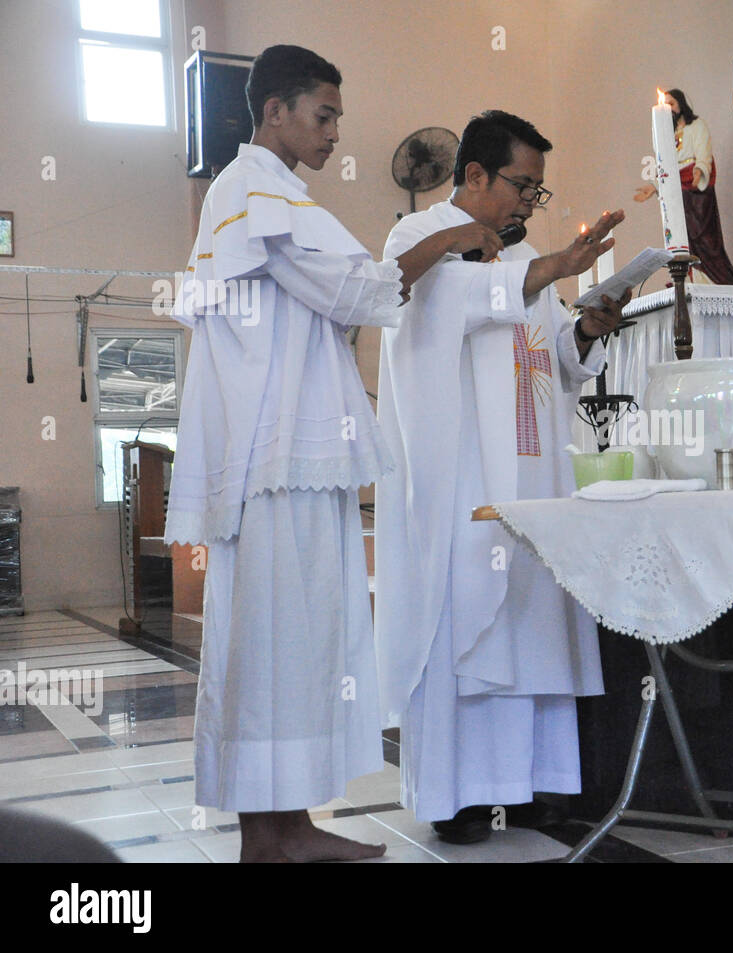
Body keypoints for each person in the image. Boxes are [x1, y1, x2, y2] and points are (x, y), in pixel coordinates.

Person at [162, 45, 472, 862]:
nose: (335, 133)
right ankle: (270, 839)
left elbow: (330, 303)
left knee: (288, 643)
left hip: (290, 458)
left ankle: (286, 828)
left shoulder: (261, 193)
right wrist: (448, 239)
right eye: (324, 115)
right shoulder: (256, 190)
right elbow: (357, 291)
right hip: (279, 461)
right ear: (275, 111)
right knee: (274, 644)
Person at [374, 110, 628, 844]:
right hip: (458, 480)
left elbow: (552, 357)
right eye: (523, 185)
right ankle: (456, 795)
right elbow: (451, 305)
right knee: (465, 629)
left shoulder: (529, 261)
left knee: (526, 628)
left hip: (529, 472)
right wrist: (552, 268)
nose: (529, 204)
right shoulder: (415, 242)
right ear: (475, 174)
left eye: (538, 192)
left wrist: (583, 328)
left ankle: (517, 786)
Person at [634, 87, 733, 285]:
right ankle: (690, 278)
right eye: (665, 105)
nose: (669, 108)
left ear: (681, 104)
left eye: (671, 104)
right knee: (683, 237)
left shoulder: (697, 126)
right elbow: (667, 167)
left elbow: (704, 151)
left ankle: (713, 280)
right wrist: (654, 186)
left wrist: (700, 169)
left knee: (705, 239)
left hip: (697, 192)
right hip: (678, 194)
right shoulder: (669, 135)